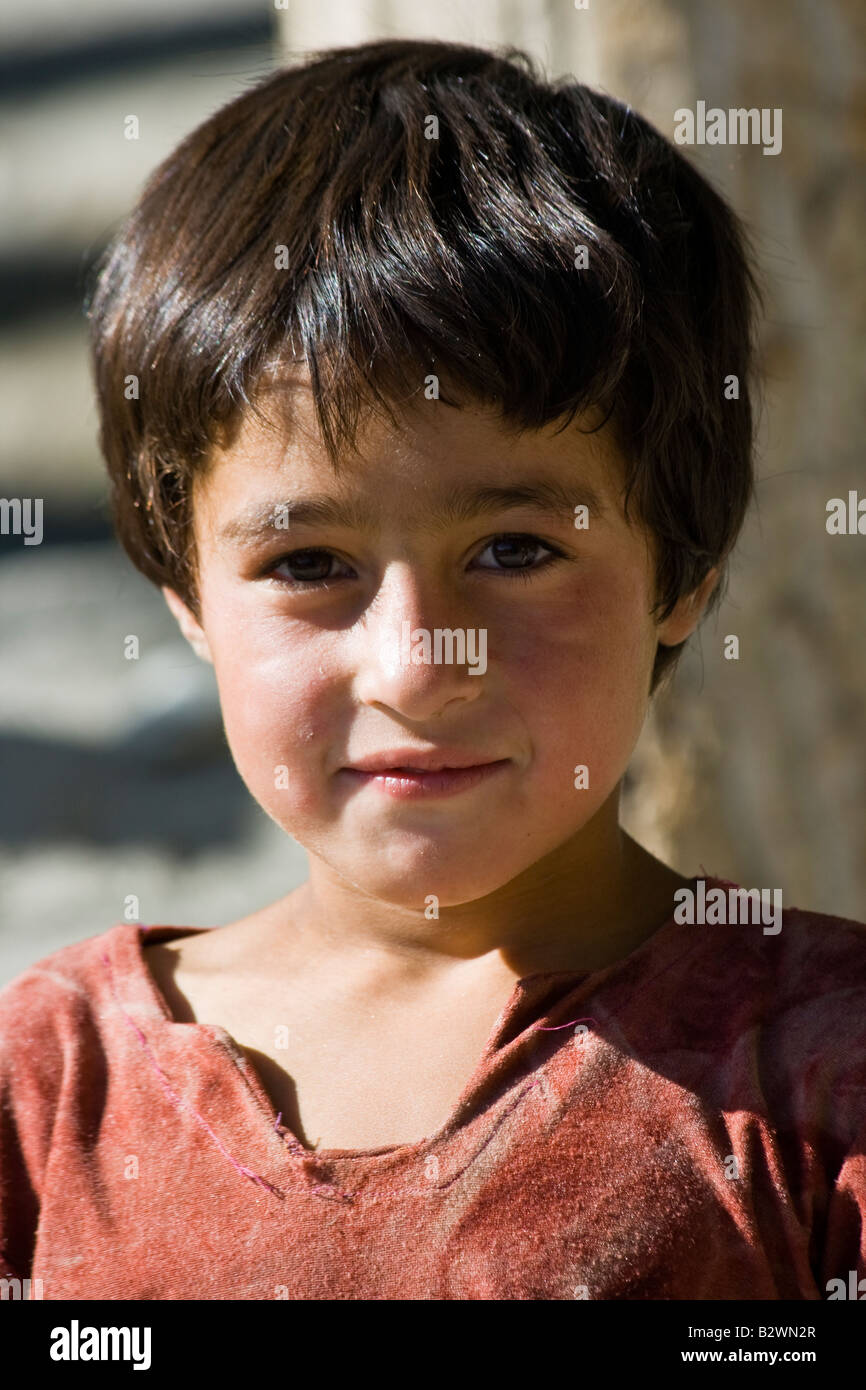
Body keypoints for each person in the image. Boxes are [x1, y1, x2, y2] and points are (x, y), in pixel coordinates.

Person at [1, 39, 863, 1301]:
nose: (415, 664)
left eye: (514, 550)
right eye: (308, 563)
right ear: (184, 588)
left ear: (682, 573)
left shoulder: (820, 1076)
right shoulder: (52, 1087)